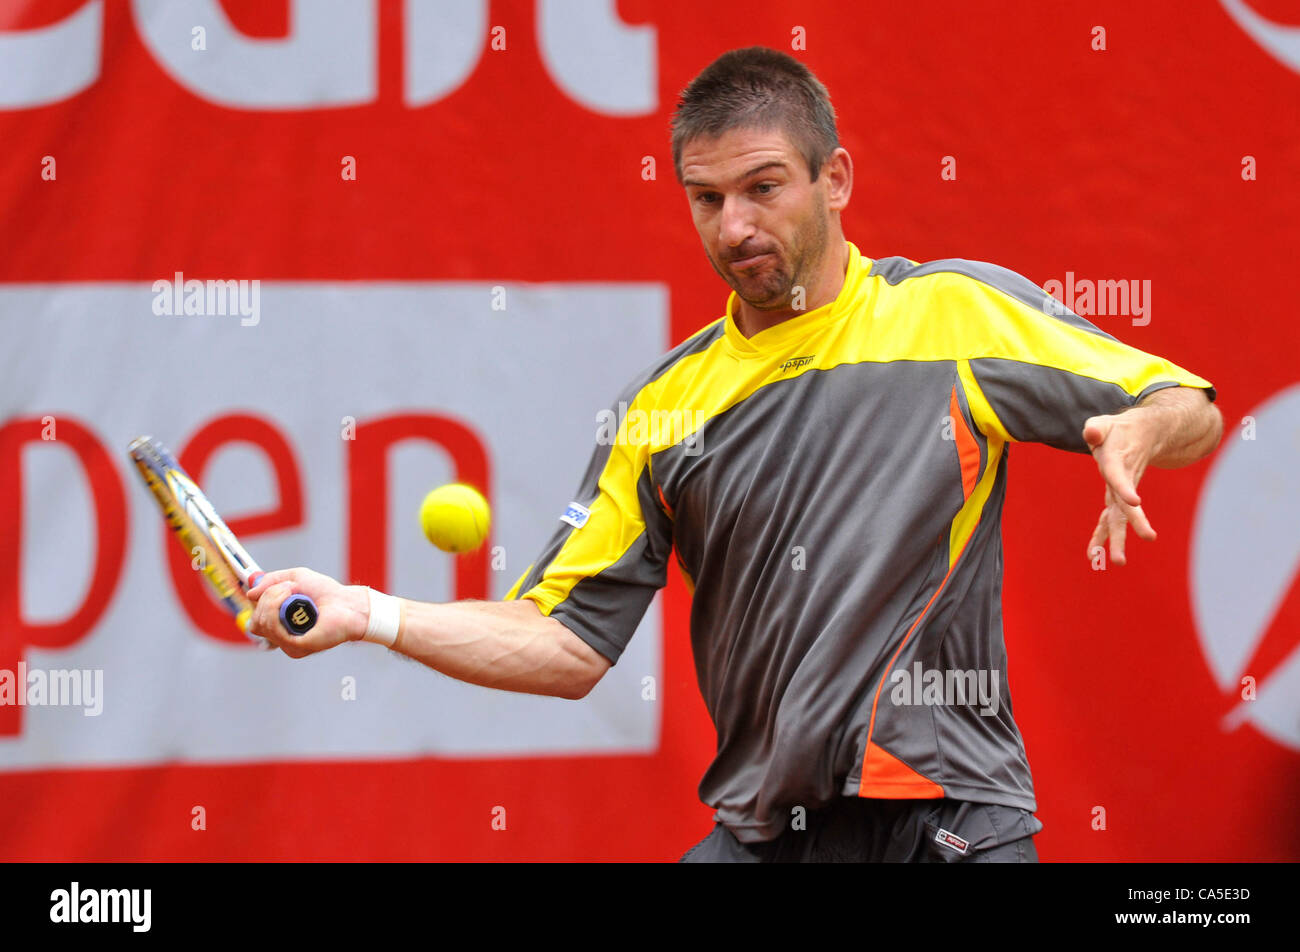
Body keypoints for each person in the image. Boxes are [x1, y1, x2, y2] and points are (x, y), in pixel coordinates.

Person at [247, 46, 1222, 862]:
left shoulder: (953, 315)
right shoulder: (662, 408)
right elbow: (567, 643)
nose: (737, 227)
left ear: (834, 178)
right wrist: (368, 613)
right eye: (707, 198)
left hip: (946, 818)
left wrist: (1141, 427)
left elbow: (1187, 401)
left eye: (764, 188)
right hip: (764, 831)